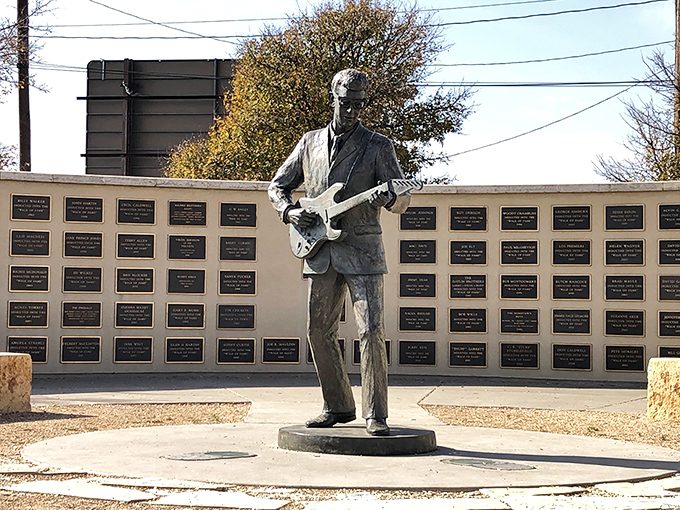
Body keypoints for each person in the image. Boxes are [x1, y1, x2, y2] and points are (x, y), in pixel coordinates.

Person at [268, 68, 410, 436]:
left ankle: (375, 414)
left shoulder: (378, 145)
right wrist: (290, 211)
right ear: (333, 97)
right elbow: (277, 186)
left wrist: (391, 195)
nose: (351, 111)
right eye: (345, 103)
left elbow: (402, 197)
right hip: (319, 249)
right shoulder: (309, 142)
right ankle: (337, 405)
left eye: (358, 105)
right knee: (318, 330)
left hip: (363, 250)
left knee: (371, 330)